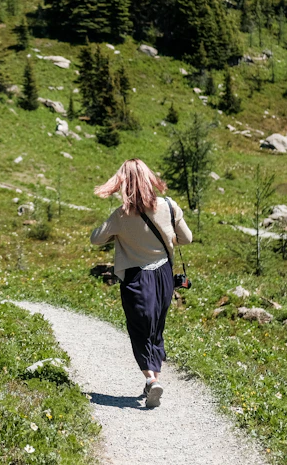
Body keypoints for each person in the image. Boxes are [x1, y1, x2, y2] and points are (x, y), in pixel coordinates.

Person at [90, 159, 193, 409]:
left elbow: (96, 239)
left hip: (137, 278)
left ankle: (150, 379)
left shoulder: (121, 215)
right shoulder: (169, 206)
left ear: (123, 184)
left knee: (139, 329)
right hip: (164, 277)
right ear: (149, 179)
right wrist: (164, 242)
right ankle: (154, 378)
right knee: (156, 327)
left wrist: (121, 233)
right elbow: (186, 238)